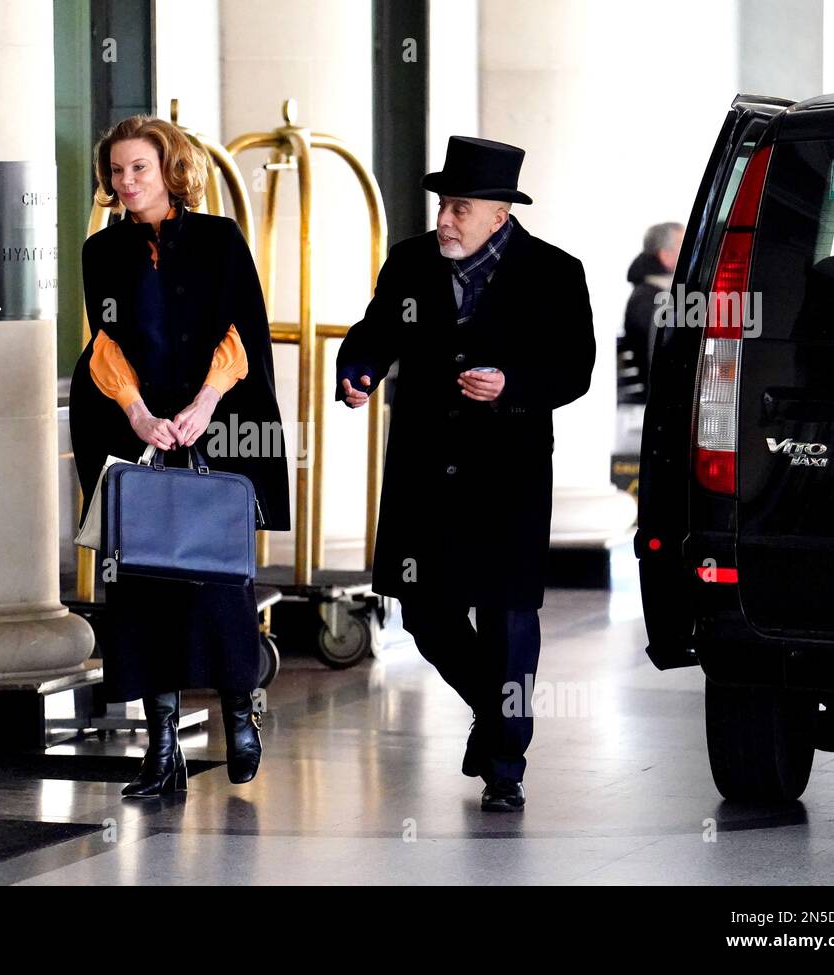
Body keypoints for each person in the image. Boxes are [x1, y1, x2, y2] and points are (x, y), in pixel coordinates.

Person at [335, 136, 595, 811]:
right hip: (424, 471)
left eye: (461, 207)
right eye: (443, 205)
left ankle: (505, 762)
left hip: (506, 474)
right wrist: (357, 372)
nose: (445, 219)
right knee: (424, 611)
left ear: (500, 213)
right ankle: (495, 710)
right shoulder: (411, 264)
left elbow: (575, 370)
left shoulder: (555, 273)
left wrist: (511, 383)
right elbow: (375, 333)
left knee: (508, 615)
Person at [69, 115, 291, 798]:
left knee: (217, 580)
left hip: (216, 423)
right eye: (117, 171)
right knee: (140, 587)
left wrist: (204, 406)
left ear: (170, 170)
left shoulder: (220, 240)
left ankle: (239, 716)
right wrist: (137, 411)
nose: (126, 182)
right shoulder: (102, 250)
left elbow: (241, 332)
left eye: (139, 168)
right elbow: (104, 343)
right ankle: (160, 750)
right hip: (129, 425)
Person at [618, 221, 682, 403]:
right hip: (665, 399)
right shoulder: (648, 299)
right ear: (665, 256)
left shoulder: (656, 294)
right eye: (683, 246)